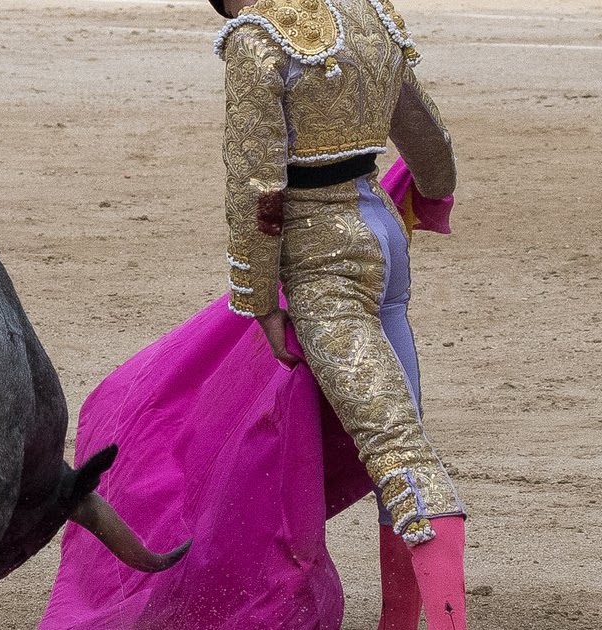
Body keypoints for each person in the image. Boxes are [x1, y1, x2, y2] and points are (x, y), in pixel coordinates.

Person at [40, 0, 467, 628]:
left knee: (397, 448)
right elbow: (428, 135)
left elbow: (259, 190)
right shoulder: (369, 11)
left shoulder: (256, 39)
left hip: (324, 255)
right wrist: (430, 192)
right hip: (382, 232)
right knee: (402, 436)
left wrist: (260, 301)